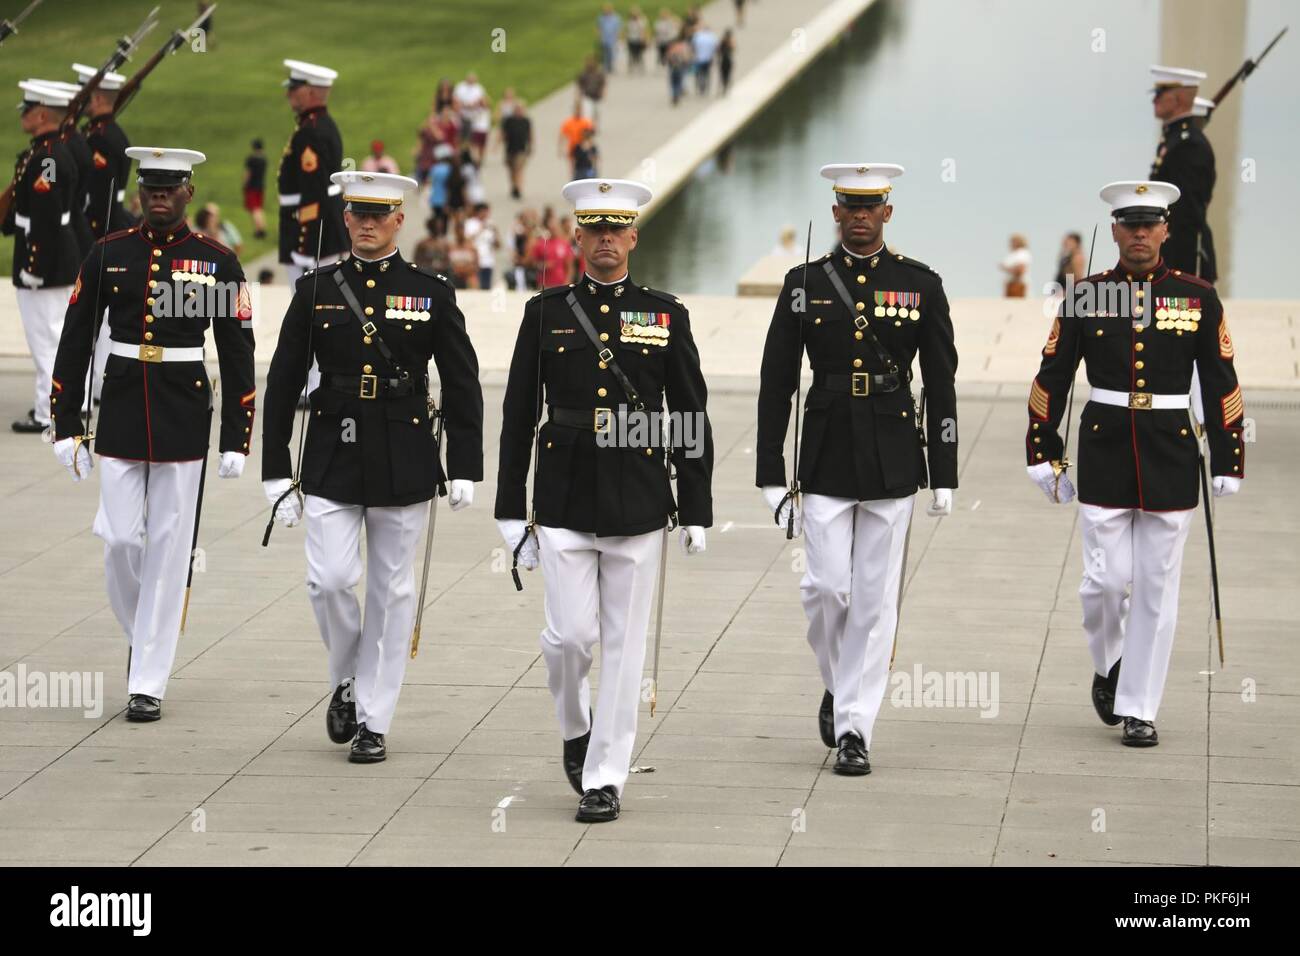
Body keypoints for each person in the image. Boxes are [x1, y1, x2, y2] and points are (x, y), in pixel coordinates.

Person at [495, 178, 713, 822]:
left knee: (622, 647)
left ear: (634, 238)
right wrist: (511, 507)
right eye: (596, 230)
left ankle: (606, 776)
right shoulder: (546, 313)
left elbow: (689, 413)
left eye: (618, 229)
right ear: (578, 238)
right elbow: (516, 414)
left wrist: (695, 506)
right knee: (569, 639)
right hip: (562, 494)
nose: (607, 240)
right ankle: (573, 725)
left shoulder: (665, 313)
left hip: (639, 497)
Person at [262, 171, 484, 763]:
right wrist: (274, 468)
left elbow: (463, 380)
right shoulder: (314, 290)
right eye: (356, 212)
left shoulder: (430, 292)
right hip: (332, 449)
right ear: (345, 218)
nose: (365, 222)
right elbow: (283, 380)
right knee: (329, 579)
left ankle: (373, 720)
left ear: (398, 221)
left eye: (377, 213)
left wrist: (464, 463)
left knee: (391, 591)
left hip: (403, 452)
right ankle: (346, 677)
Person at [1024, 180, 1244, 747]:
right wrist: (1043, 449)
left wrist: (1228, 452)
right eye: (1129, 224)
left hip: (1170, 451)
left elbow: (1221, 379)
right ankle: (1110, 663)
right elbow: (1052, 375)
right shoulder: (1085, 296)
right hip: (1105, 448)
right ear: (1115, 230)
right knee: (1103, 582)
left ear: (1167, 229)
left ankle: (1140, 707)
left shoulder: (1196, 297)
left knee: (1155, 587)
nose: (1140, 234)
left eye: (1150, 224)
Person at [756, 164, 958, 776]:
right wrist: (770, 471)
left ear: (888, 213)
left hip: (894, 452)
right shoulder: (804, 282)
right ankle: (840, 679)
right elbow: (776, 382)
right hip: (825, 450)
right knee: (824, 588)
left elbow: (942, 384)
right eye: (851, 206)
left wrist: (943, 470)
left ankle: (854, 728)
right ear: (837, 211)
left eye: (873, 206)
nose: (862, 215)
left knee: (874, 601)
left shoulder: (920, 283)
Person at [49, 147, 256, 722]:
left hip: (182, 413)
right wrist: (66, 420)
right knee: (118, 540)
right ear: (139, 191)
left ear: (189, 191)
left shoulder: (215, 262)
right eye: (151, 186)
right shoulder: (109, 253)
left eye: (170, 186)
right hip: (117, 407)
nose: (159, 195)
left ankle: (147, 680)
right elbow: (75, 339)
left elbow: (238, 352)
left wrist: (237, 435)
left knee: (168, 549)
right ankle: (145, 632)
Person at [5, 81, 82, 434]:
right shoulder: (47, 152)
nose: (22, 115)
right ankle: (53, 407)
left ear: (41, 114)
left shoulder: (48, 157)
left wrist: (34, 267)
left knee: (46, 340)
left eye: (27, 109)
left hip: (44, 265)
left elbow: (47, 215)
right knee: (51, 338)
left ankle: (50, 412)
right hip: (54, 260)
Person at [278, 60, 347, 284]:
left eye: (293, 88)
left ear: (309, 91)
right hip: (320, 225)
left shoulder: (310, 132)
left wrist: (305, 242)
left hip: (312, 230)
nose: (288, 94)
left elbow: (314, 191)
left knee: (310, 302)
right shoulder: (320, 125)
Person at [1149, 65, 1216, 281]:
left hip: (1183, 254)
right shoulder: (1175, 140)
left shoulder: (1189, 145)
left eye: (1160, 94)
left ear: (1177, 99)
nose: (1154, 100)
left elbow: (1188, 209)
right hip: (1170, 249)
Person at [72, 64, 133, 238]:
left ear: (97, 99)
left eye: (83, 95)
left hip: (100, 231)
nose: (77, 99)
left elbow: (100, 196)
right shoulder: (101, 131)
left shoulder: (101, 139)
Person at [500, 96, 532, 200]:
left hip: (521, 149)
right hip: (510, 149)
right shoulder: (509, 121)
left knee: (519, 169)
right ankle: (514, 186)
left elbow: (530, 135)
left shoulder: (526, 121)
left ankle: (519, 188)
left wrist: (531, 146)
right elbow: (503, 134)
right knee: (511, 170)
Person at [463, 202, 498, 290]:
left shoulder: (490, 224)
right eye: (485, 212)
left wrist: (496, 232)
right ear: (478, 212)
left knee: (486, 286)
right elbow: (467, 240)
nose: (487, 214)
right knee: (475, 286)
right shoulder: (470, 223)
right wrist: (481, 229)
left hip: (488, 260)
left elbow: (497, 244)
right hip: (475, 260)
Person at [242, 138, 268, 239]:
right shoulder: (264, 159)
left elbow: (248, 173)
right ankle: (262, 228)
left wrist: (244, 184)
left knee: (254, 209)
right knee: (259, 209)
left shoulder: (251, 159)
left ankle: (259, 230)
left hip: (252, 186)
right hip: (261, 186)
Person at [577, 55, 606, 123]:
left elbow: (603, 84)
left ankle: (594, 126)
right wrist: (578, 96)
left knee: (597, 113)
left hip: (597, 97)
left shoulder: (599, 74)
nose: (590, 64)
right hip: (587, 96)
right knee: (587, 114)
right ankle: (588, 127)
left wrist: (603, 92)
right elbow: (580, 85)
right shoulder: (583, 74)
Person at [692, 21, 719, 95]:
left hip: (698, 58)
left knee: (698, 73)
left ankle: (699, 86)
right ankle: (705, 86)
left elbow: (693, 47)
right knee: (707, 73)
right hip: (708, 59)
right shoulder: (713, 37)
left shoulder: (697, 36)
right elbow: (716, 48)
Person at [596, 4, 622, 73]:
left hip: (613, 39)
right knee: (605, 53)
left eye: (607, 10)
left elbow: (618, 28)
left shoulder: (616, 18)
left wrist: (618, 37)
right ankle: (606, 67)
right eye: (604, 10)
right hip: (604, 38)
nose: (606, 11)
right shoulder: (601, 18)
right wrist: (599, 36)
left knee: (612, 53)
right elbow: (599, 28)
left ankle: (611, 66)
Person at [626, 7, 649, 73]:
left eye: (635, 14)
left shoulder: (641, 21)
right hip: (631, 39)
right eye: (633, 14)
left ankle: (641, 67)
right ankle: (631, 68)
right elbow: (627, 31)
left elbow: (643, 31)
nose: (634, 15)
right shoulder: (629, 21)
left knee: (640, 54)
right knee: (631, 54)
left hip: (639, 40)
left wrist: (644, 39)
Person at [718, 29, 735, 94]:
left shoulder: (722, 41)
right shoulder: (730, 42)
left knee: (723, 75)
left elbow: (719, 51)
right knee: (727, 75)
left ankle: (724, 86)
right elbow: (733, 49)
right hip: (728, 60)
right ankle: (725, 86)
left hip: (723, 60)